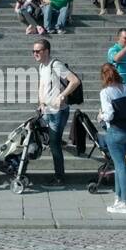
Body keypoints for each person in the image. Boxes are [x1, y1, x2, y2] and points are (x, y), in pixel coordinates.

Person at [35, 39, 81, 186]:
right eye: (33, 51)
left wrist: (62, 96)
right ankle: (59, 140)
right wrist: (41, 102)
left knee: (54, 144)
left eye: (38, 51)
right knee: (49, 139)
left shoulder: (56, 65)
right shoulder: (42, 66)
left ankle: (59, 177)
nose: (35, 54)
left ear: (46, 51)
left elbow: (75, 81)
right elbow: (41, 86)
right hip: (47, 110)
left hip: (58, 111)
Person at [97, 63, 126, 214]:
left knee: (120, 166)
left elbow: (109, 114)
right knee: (120, 165)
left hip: (116, 132)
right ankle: (118, 198)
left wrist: (100, 116)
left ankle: (125, 202)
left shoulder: (106, 92)